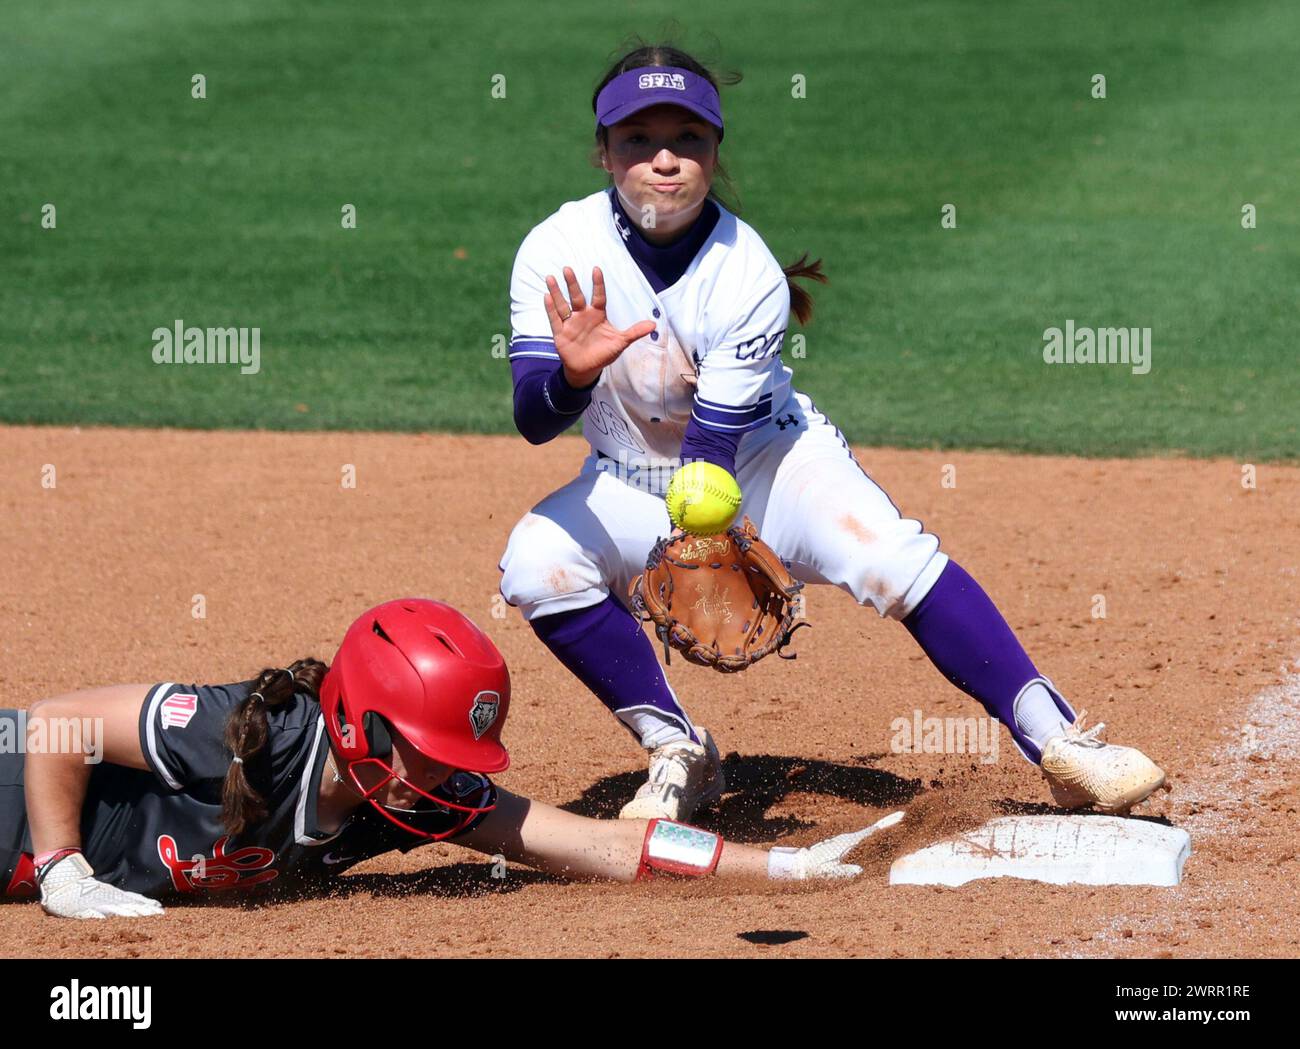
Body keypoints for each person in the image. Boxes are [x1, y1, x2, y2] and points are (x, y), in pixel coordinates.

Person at [498, 42, 1166, 822]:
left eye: (689, 140)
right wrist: (572, 377)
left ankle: (1060, 745)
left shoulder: (747, 272)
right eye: (639, 140)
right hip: (630, 476)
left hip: (767, 462)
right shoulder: (557, 251)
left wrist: (705, 544)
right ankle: (678, 749)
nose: (666, 160)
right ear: (604, 151)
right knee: (537, 561)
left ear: (716, 151)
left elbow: (711, 456)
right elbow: (534, 420)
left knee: (890, 559)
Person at [1, 598, 891, 920]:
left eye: (450, 758)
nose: (440, 777)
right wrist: (65, 869)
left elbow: (595, 843)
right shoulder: (250, 730)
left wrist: (778, 863)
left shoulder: (421, 797)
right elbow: (51, 726)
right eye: (425, 753)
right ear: (358, 723)